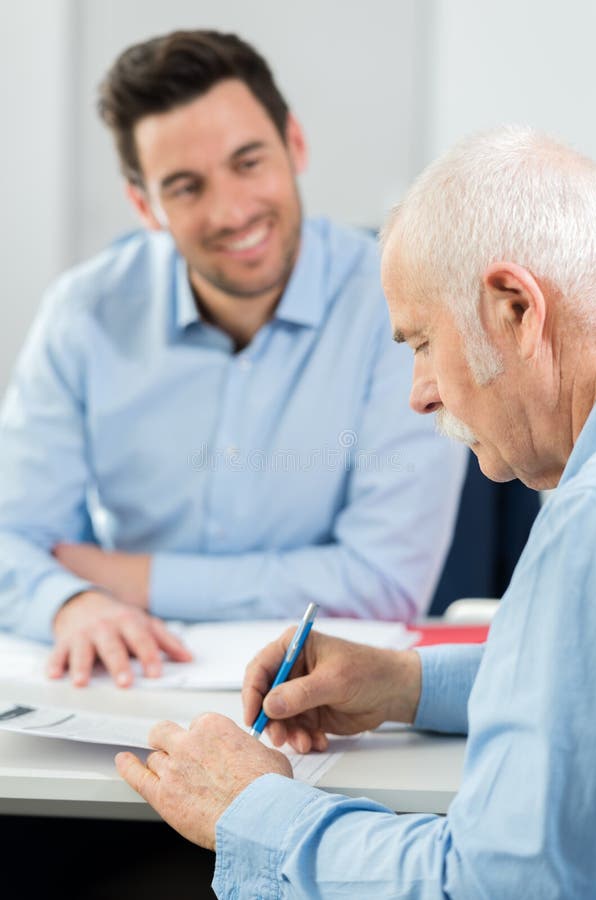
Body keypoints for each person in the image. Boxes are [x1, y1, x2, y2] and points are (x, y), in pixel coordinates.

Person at [116, 125, 596, 898]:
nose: (417, 394)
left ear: (514, 309)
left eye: (419, 342)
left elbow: (494, 886)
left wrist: (253, 809)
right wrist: (408, 684)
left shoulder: (585, 527)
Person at [0, 29, 466, 688]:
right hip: (128, 685)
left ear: (294, 144)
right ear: (145, 205)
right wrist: (72, 601)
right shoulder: (84, 313)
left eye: (248, 163)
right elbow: (11, 538)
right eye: (186, 187)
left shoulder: (393, 303)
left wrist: (132, 578)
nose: (231, 210)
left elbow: (381, 582)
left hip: (326, 697)